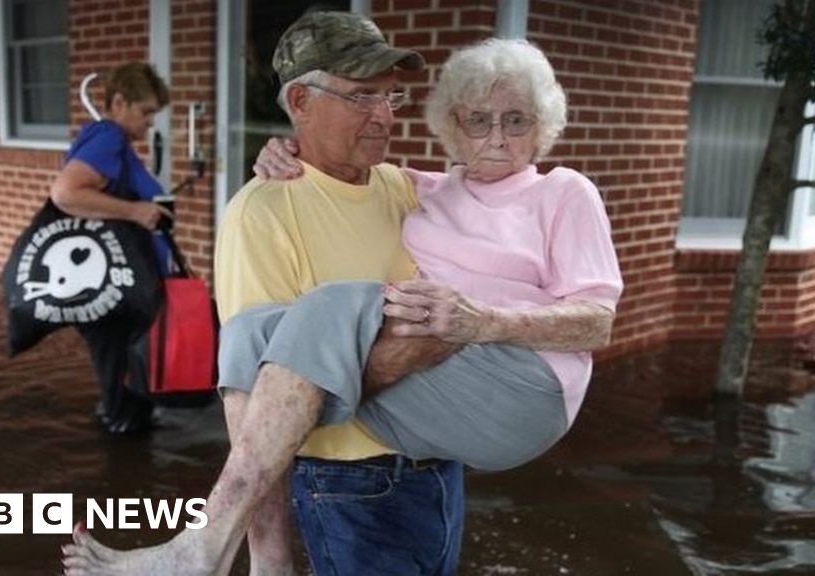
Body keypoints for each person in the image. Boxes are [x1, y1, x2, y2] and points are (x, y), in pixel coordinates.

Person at [63, 16, 620, 576]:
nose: (496, 136)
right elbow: (252, 399)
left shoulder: (418, 187)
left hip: (485, 413)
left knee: (332, 305)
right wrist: (271, 548)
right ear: (301, 100)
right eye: (362, 96)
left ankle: (206, 544)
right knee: (250, 333)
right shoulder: (302, 205)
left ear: (543, 124)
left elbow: (596, 319)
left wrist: (479, 323)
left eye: (388, 96)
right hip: (356, 478)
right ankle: (233, 551)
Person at [50, 62, 172, 434]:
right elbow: (66, 192)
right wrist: (137, 210)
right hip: (113, 289)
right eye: (146, 111)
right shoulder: (108, 138)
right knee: (123, 398)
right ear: (119, 102)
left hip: (114, 286)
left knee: (122, 384)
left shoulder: (110, 141)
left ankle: (120, 456)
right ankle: (123, 472)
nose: (150, 122)